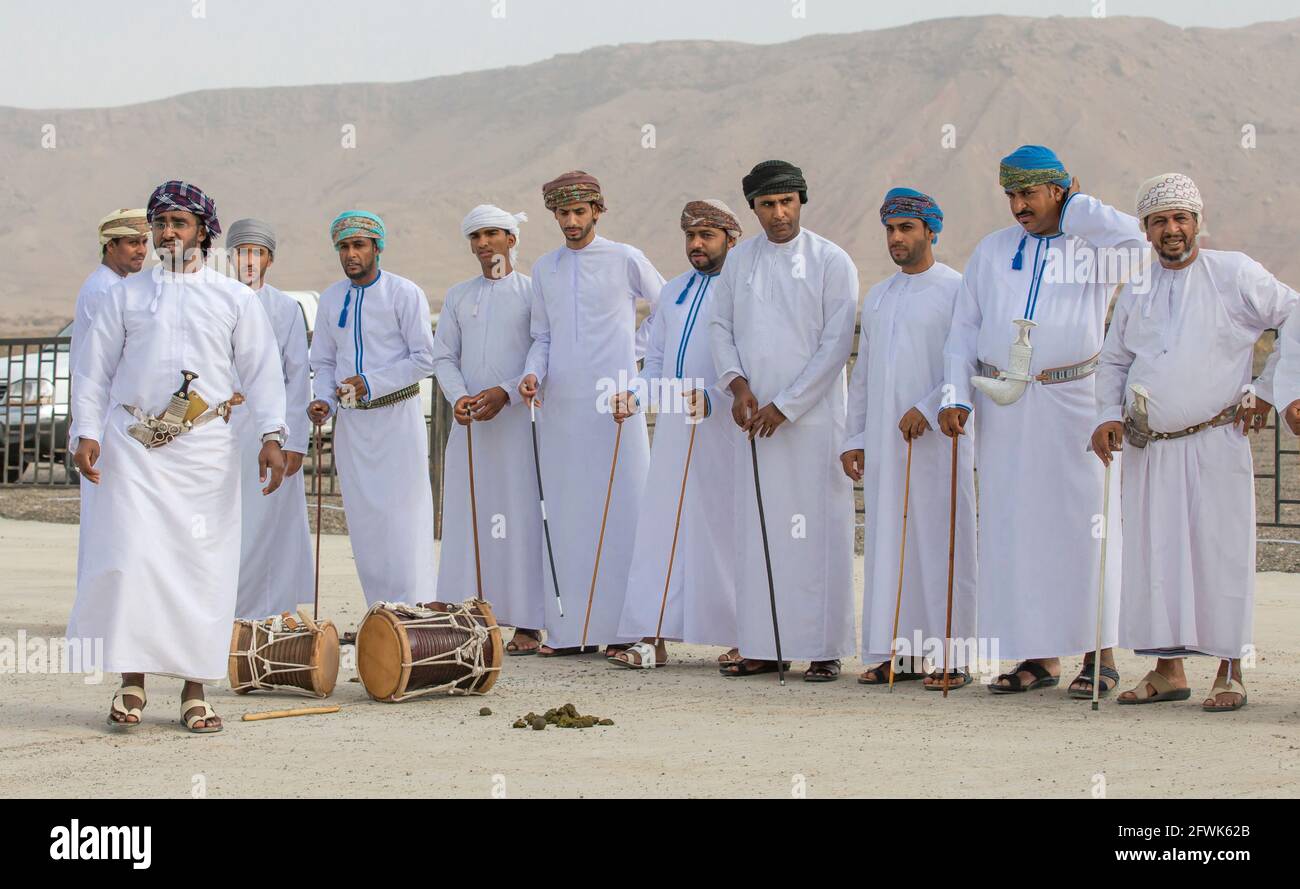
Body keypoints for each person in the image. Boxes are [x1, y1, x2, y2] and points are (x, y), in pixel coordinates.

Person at [68, 180, 287, 733]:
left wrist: (272, 435)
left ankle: (195, 690)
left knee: (202, 567)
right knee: (133, 561)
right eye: (160, 222)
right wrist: (87, 430)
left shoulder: (233, 297)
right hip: (134, 448)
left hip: (205, 450)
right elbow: (93, 370)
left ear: (203, 231)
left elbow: (263, 373)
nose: (168, 233)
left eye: (180, 223)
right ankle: (132, 684)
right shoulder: (125, 295)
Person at [939, 145, 1144, 697]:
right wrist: (955, 395)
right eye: (1011, 194)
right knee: (1017, 528)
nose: (1018, 206)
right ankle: (1037, 656)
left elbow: (1139, 245)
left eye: (1029, 193)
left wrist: (1080, 209)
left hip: (1075, 400)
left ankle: (1099, 655)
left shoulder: (1093, 247)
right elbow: (964, 328)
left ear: (1059, 190)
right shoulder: (991, 250)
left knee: (1085, 524)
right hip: (1004, 407)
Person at [1093, 173, 1293, 712]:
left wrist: (1269, 391)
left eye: (1181, 218)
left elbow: (1294, 313)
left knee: (1218, 553)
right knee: (1156, 557)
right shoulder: (1136, 286)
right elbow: (1114, 359)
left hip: (1215, 439)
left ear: (1198, 222)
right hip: (1149, 445)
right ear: (1146, 229)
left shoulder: (1233, 272)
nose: (1171, 229)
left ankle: (1230, 672)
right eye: (1159, 221)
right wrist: (1107, 414)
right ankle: (1166, 672)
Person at [710, 159, 858, 682]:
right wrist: (739, 385)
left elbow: (836, 345)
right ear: (752, 208)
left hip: (813, 425)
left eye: (787, 202)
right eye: (767, 205)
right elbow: (720, 328)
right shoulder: (739, 262)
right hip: (754, 423)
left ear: (801, 202)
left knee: (817, 532)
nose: (778, 214)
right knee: (759, 531)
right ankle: (763, 644)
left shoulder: (832, 261)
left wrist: (788, 405)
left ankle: (823, 648)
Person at [518, 170, 664, 656]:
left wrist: (635, 355)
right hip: (561, 408)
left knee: (623, 510)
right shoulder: (545, 268)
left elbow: (668, 308)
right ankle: (571, 632)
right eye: (564, 213)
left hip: (615, 406)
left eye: (580, 212)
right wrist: (533, 374)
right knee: (565, 514)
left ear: (598, 211)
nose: (572, 221)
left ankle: (625, 630)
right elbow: (542, 335)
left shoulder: (625, 259)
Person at [842, 188, 977, 690]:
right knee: (888, 543)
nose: (896, 239)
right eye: (890, 230)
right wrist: (854, 437)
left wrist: (928, 405)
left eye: (907, 229)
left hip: (941, 438)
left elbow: (968, 360)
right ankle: (893, 652)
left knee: (942, 541)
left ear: (930, 231)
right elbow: (864, 374)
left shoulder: (958, 290)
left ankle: (952, 656)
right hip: (884, 443)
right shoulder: (879, 296)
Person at [611, 199, 743, 669]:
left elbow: (756, 363)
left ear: (731, 238)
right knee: (661, 527)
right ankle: (652, 635)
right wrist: (635, 395)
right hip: (674, 427)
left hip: (728, 428)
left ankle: (747, 636)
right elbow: (660, 363)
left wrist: (716, 397)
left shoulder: (744, 288)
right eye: (690, 236)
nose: (696, 245)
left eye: (707, 235)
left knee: (727, 528)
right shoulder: (674, 292)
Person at [307, 211, 437, 612]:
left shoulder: (404, 293)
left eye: (359, 245)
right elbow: (324, 363)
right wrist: (323, 401)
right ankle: (379, 614)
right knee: (365, 522)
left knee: (404, 516)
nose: (351, 254)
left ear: (377, 248)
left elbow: (424, 359)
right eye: (343, 247)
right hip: (352, 424)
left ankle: (413, 610)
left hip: (397, 418)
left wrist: (372, 381)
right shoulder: (330, 298)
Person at [431, 204, 546, 651]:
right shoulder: (459, 295)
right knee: (468, 516)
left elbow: (544, 351)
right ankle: (466, 615)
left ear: (511, 239)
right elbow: (443, 357)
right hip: (472, 426)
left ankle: (527, 623)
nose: (483, 244)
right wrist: (458, 395)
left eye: (492, 234)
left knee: (520, 516)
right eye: (475, 237)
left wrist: (507, 392)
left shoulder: (534, 292)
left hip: (518, 424)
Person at [226, 218, 314, 619]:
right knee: (228, 520)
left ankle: (272, 612)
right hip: (222, 429)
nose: (248, 260)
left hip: (272, 432)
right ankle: (225, 610)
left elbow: (297, 377)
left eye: (256, 253)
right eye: (241, 252)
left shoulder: (285, 308)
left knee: (272, 520)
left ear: (269, 259)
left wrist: (294, 441)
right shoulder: (214, 298)